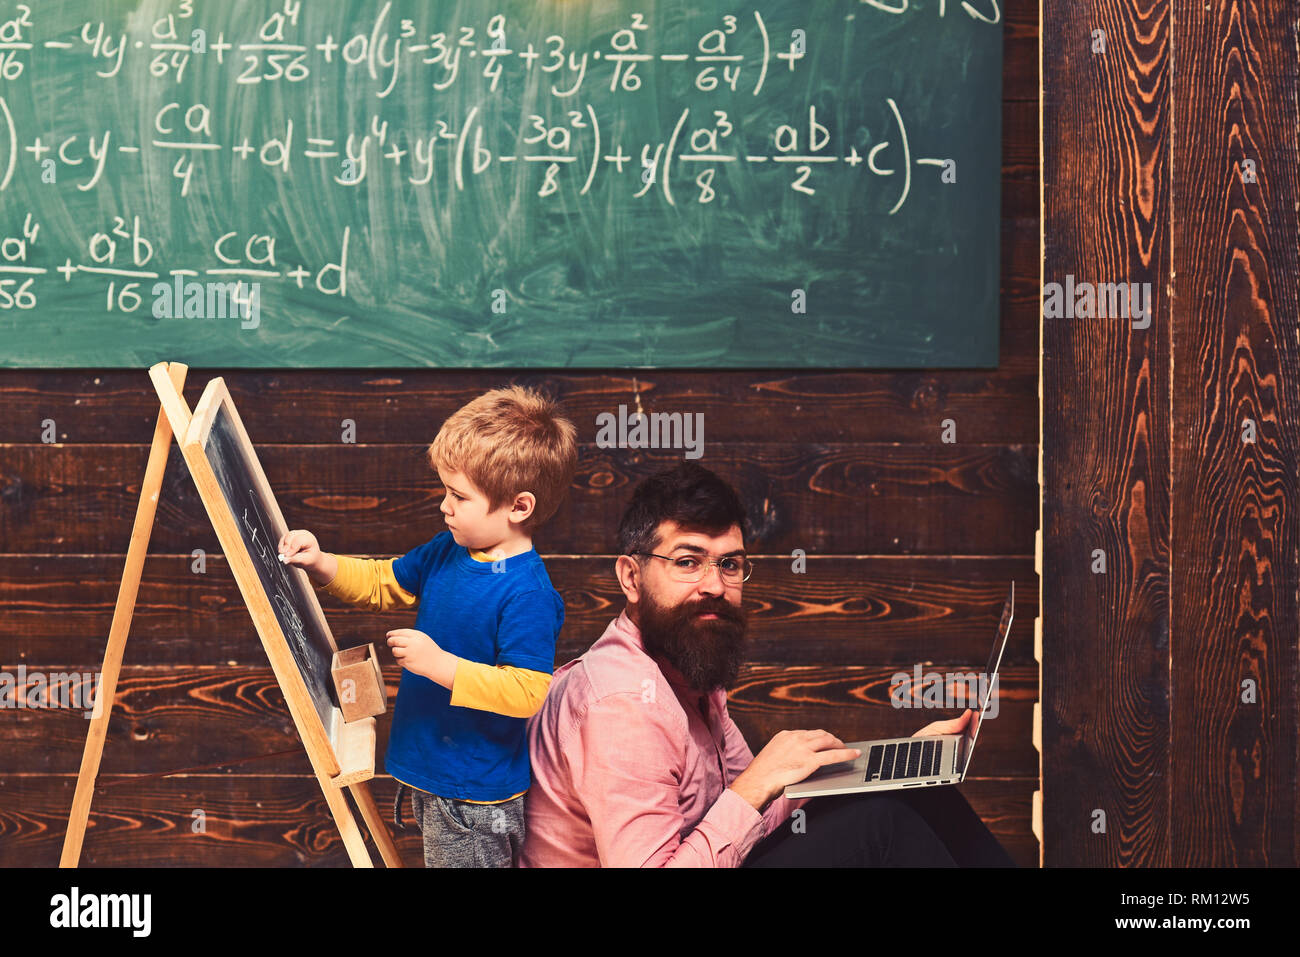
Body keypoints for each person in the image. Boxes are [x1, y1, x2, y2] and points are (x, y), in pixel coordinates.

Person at [522, 462, 1015, 867]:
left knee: (919, 793)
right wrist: (757, 781)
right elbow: (746, 801)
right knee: (882, 825)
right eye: (688, 562)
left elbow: (754, 818)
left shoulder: (688, 672)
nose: (714, 585)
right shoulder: (623, 706)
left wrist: (893, 763)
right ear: (631, 576)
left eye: (729, 564)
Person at [280, 385, 577, 867]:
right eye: (445, 490)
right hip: (434, 777)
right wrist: (322, 563)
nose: (445, 505)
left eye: (459, 496)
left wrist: (441, 666)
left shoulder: (528, 594)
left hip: (472, 797)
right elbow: (382, 581)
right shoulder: (447, 550)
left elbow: (527, 691)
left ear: (518, 507)